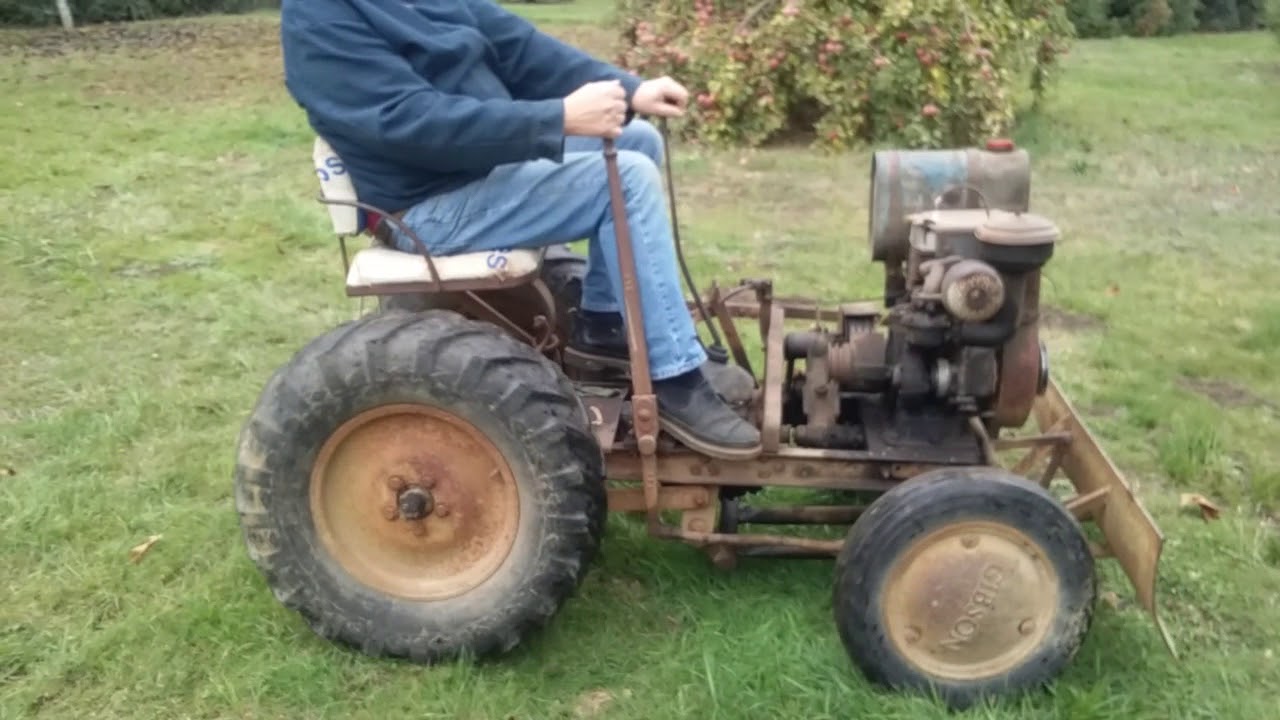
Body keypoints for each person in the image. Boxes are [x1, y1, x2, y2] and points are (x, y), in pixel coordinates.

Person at [279, 0, 761, 460]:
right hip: (425, 204)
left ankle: (603, 324)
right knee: (627, 181)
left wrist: (629, 89)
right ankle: (674, 380)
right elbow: (407, 121)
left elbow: (517, 46)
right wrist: (556, 118)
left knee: (635, 138)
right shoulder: (320, 16)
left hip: (477, 171)